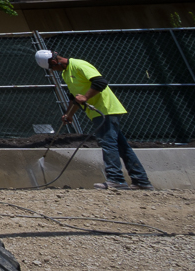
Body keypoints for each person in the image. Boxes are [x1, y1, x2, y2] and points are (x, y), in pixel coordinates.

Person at [36, 49, 153, 190]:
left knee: (108, 143)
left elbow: (100, 82)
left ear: (54, 62)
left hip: (106, 110)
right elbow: (75, 98)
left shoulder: (79, 65)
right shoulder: (66, 73)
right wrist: (69, 114)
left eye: (52, 68)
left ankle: (116, 179)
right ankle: (141, 181)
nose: (53, 70)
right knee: (122, 146)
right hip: (99, 113)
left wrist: (85, 97)